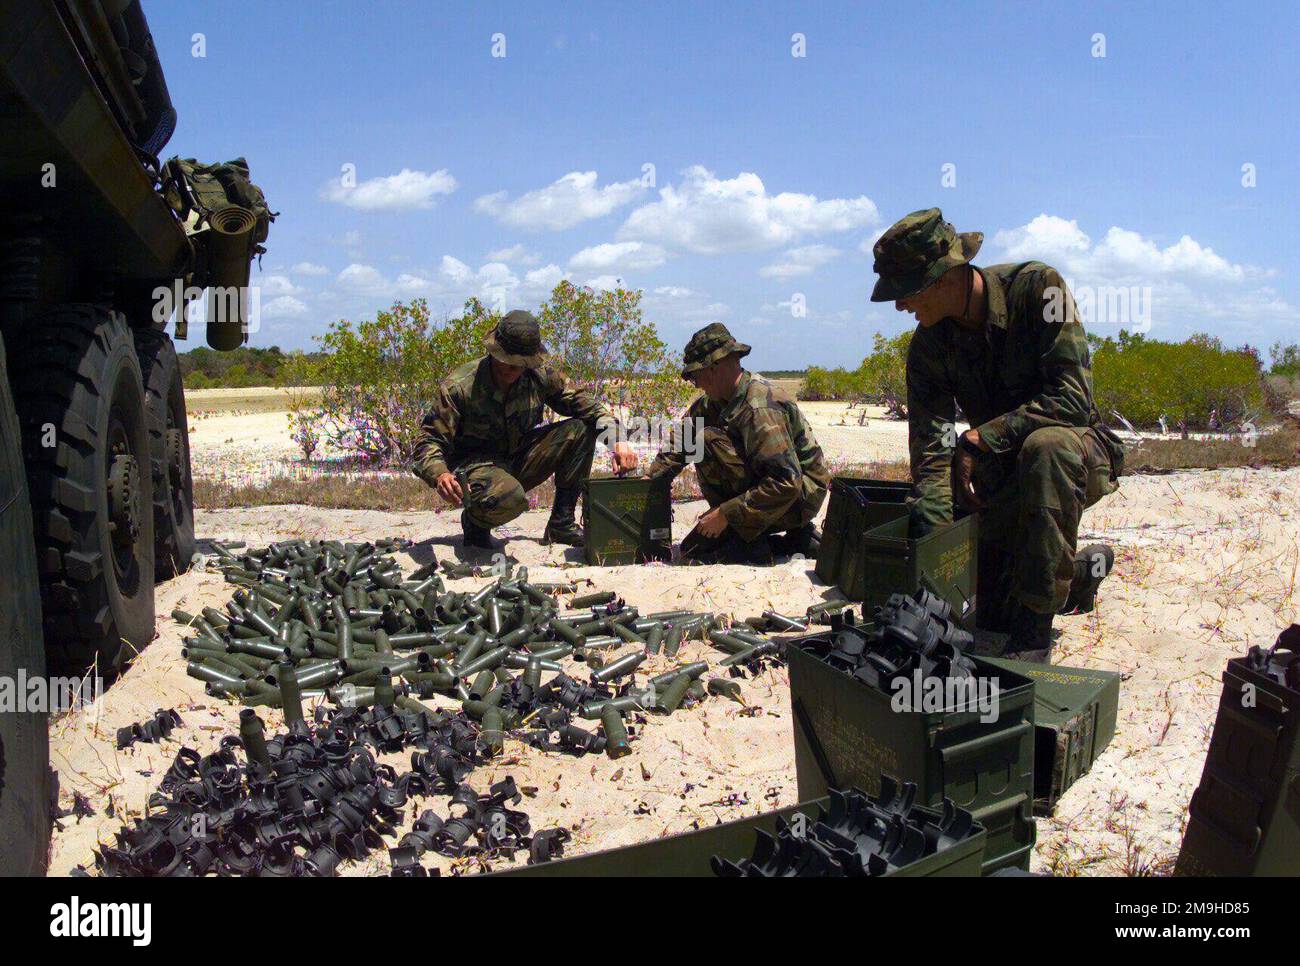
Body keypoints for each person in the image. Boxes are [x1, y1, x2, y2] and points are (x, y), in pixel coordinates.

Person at [870, 208, 1124, 659]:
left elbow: (1073, 401)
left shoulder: (1039, 289)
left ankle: (1034, 634)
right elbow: (930, 452)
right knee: (987, 606)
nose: (900, 306)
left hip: (1075, 450)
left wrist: (982, 437)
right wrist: (940, 547)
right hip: (994, 469)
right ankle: (1079, 573)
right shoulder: (929, 345)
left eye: (907, 291)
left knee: (1045, 448)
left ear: (947, 276)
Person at [412, 310, 637, 550]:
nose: (512, 370)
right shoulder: (460, 386)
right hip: (475, 468)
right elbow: (428, 442)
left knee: (581, 429)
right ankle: (476, 522)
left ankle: (562, 523)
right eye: (506, 361)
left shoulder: (539, 376)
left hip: (517, 457)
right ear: (493, 351)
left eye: (520, 364)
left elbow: (587, 407)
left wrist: (618, 441)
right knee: (511, 498)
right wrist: (440, 475)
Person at [646, 323, 830, 564]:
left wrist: (726, 514)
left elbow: (786, 483)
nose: (697, 384)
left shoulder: (759, 407)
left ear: (716, 367)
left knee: (703, 551)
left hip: (798, 500)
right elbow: (679, 444)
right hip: (775, 490)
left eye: (696, 376)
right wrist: (648, 482)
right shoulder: (712, 403)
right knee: (694, 548)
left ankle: (783, 542)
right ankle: (777, 538)